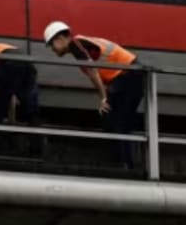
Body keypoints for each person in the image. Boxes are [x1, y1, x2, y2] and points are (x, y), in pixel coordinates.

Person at [44, 20, 142, 168]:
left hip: (128, 74)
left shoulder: (75, 44)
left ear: (60, 38)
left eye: (52, 44)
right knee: (119, 120)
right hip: (130, 74)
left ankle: (123, 164)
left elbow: (93, 71)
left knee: (114, 118)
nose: (52, 49)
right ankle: (125, 163)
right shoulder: (80, 45)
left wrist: (104, 98)